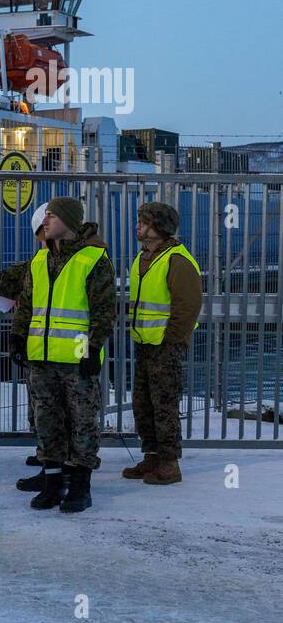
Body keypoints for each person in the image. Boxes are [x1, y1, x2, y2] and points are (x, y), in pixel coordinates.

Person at [10, 197, 117, 513]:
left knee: (82, 424)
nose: (46, 221)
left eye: (53, 216)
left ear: (69, 222)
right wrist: (17, 338)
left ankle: (80, 489)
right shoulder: (39, 261)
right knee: (48, 423)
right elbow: (27, 304)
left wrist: (90, 350)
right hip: (41, 360)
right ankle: (53, 485)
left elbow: (103, 310)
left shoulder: (93, 260)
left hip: (75, 360)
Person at [121, 202, 202, 485]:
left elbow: (188, 306)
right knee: (143, 404)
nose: (138, 226)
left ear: (160, 227)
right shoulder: (142, 258)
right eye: (139, 221)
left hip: (164, 348)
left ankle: (169, 463)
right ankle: (152, 456)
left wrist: (170, 340)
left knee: (165, 406)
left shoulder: (178, 261)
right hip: (144, 344)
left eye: (144, 222)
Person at [0, 203, 50, 488]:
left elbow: (3, 282)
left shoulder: (37, 265)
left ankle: (51, 458)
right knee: (47, 405)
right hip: (50, 343)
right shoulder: (70, 261)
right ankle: (49, 454)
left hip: (45, 343)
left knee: (45, 406)